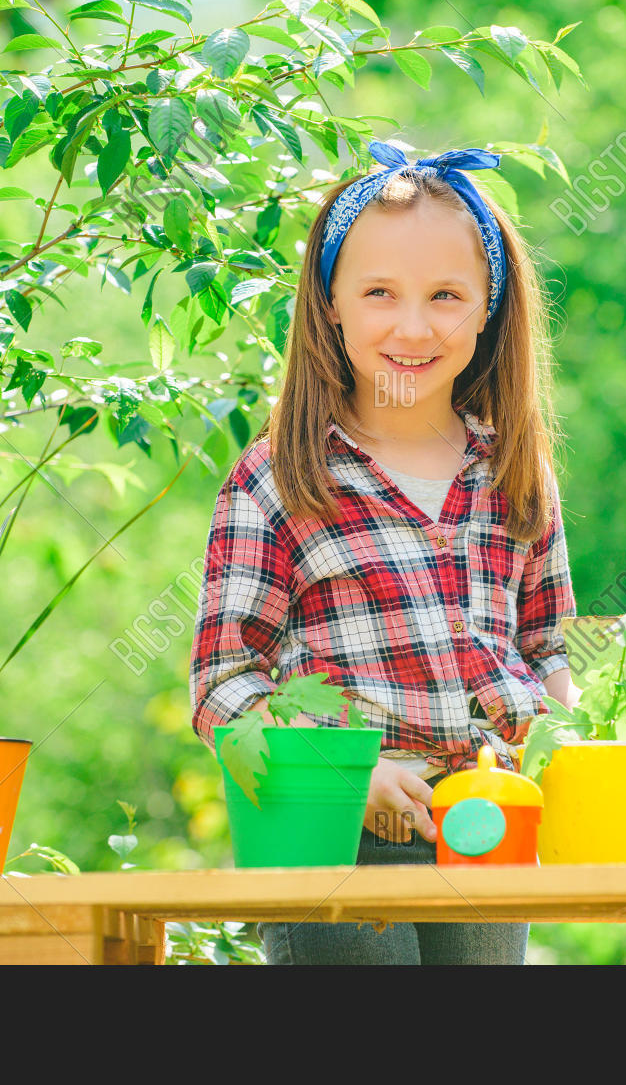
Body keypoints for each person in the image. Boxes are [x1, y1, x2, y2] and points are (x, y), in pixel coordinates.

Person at [189, 139, 578, 964]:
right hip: (331, 837)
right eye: (379, 293)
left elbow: (547, 647)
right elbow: (224, 684)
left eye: (446, 295)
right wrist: (342, 773)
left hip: (489, 830)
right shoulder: (278, 479)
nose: (413, 327)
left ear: (489, 307)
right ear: (330, 302)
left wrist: (567, 746)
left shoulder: (516, 472)